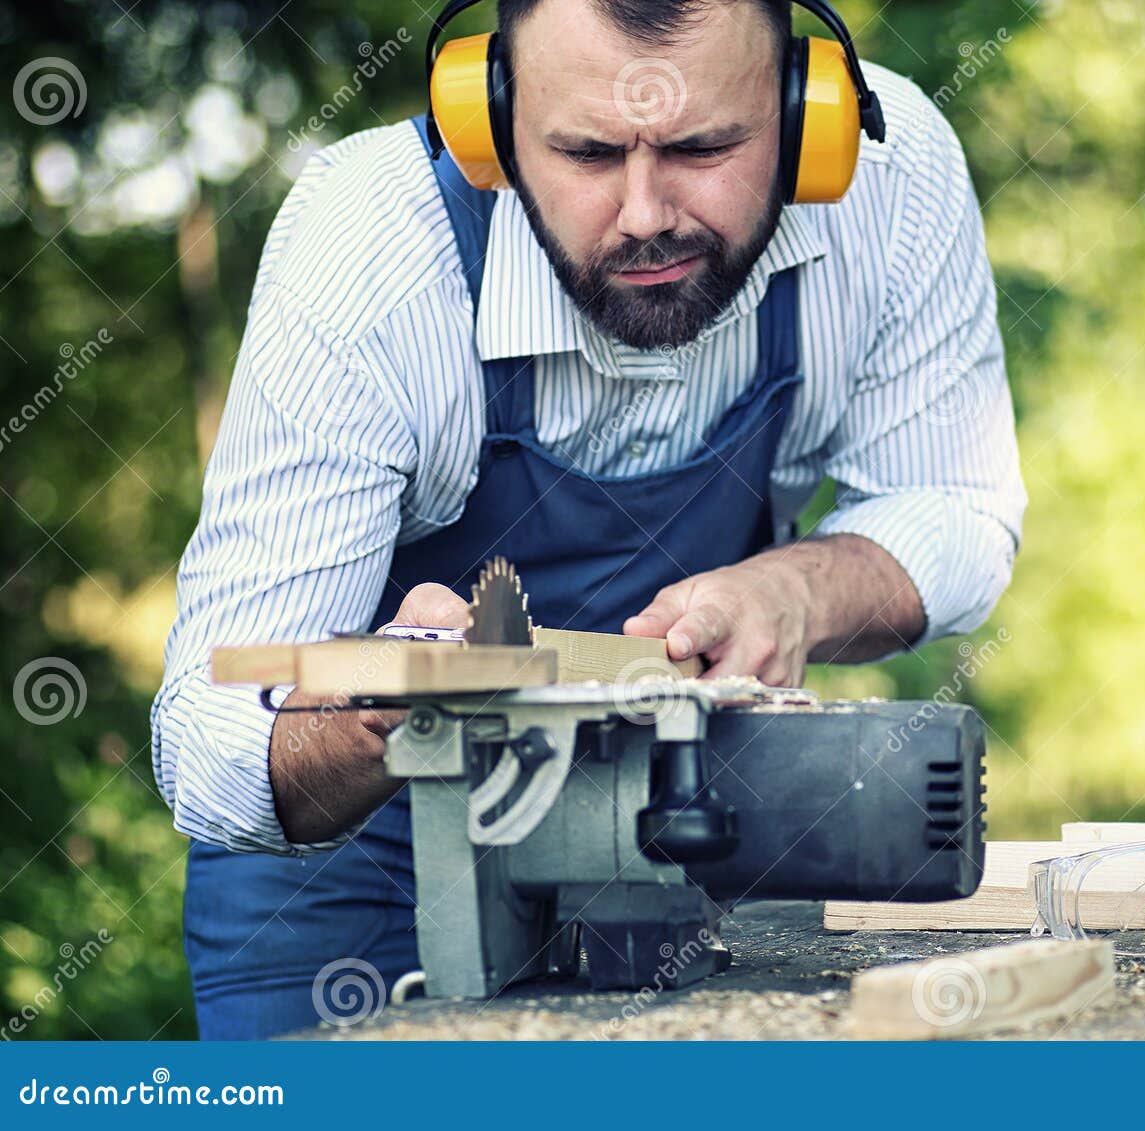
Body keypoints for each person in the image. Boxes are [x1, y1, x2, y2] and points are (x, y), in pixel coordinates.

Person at [152, 0, 1024, 1038]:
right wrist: (393, 711)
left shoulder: (891, 176)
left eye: (704, 147)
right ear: (490, 125)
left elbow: (955, 506)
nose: (646, 213)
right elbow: (206, 741)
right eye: (586, 153)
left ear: (809, 116)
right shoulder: (371, 246)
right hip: (362, 887)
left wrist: (795, 588)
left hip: (669, 835)